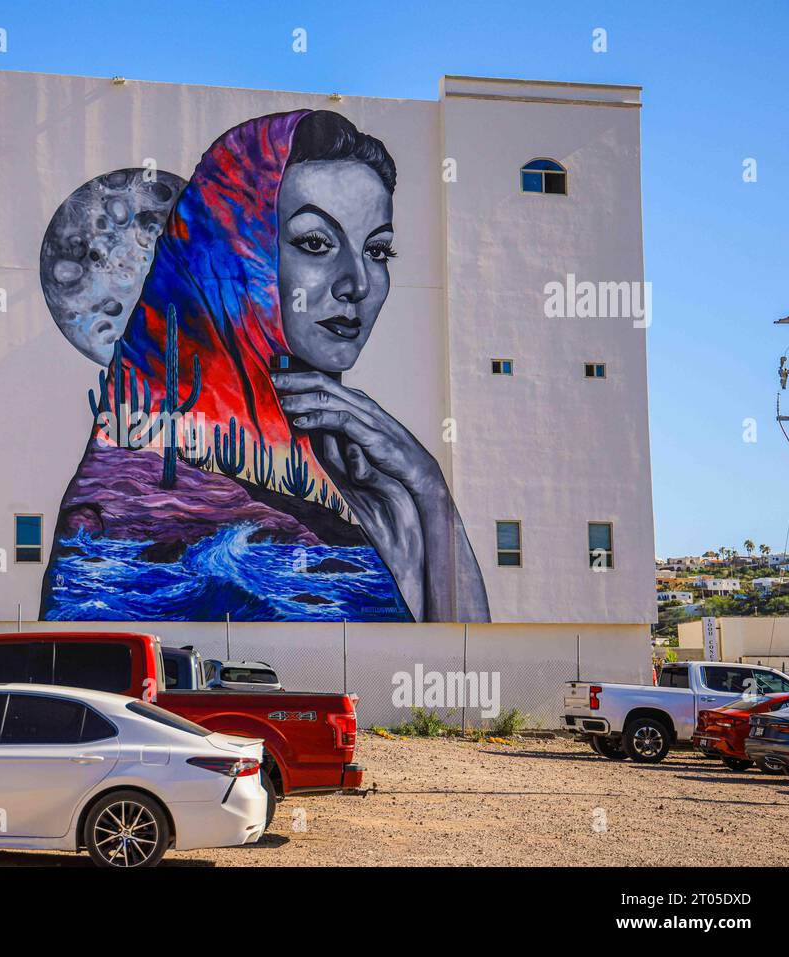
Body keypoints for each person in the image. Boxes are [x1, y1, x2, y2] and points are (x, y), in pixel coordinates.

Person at [41, 110, 489, 623]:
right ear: (237, 258)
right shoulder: (131, 496)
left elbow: (465, 680)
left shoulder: (375, 485)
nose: (358, 283)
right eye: (316, 244)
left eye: (378, 250)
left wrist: (429, 489)